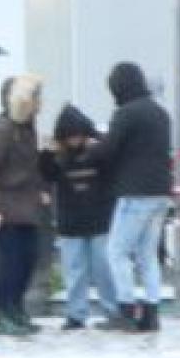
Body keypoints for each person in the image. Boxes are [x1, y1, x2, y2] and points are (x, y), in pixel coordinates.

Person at [100, 60, 174, 335]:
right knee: (147, 254)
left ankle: (126, 310)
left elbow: (109, 150)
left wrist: (88, 153)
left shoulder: (126, 114)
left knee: (116, 251)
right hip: (160, 193)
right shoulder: (159, 113)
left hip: (135, 192)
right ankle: (152, 312)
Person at [0, 74, 50, 338]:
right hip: (5, 207)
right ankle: (3, 312)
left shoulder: (27, 129)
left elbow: (31, 166)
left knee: (27, 259)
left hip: (25, 206)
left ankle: (16, 308)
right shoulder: (2, 130)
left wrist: (40, 190)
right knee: (11, 261)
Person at [41, 105, 120, 331]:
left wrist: (100, 148)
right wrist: (48, 152)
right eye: (69, 137)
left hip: (99, 220)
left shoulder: (97, 150)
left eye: (77, 135)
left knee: (103, 268)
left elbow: (111, 166)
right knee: (74, 270)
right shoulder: (59, 156)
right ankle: (76, 313)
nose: (74, 141)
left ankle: (112, 310)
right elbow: (47, 174)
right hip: (71, 221)